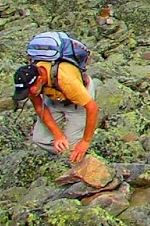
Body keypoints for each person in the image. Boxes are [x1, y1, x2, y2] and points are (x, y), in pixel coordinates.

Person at [12, 31, 100, 165]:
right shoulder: (30, 81)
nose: (30, 94)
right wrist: (58, 135)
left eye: (30, 91)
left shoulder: (66, 79)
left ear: (40, 79)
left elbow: (92, 108)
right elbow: (39, 106)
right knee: (39, 138)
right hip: (54, 98)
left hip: (77, 100)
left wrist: (85, 142)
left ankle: (78, 157)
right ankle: (66, 152)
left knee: (75, 146)